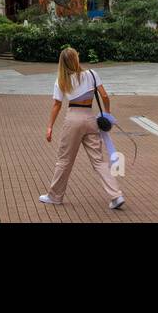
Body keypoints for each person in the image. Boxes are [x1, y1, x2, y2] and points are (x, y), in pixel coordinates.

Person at [40, 47, 125, 210]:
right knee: (98, 160)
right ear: (76, 59)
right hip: (90, 118)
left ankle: (55, 196)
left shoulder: (61, 80)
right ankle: (116, 195)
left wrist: (50, 126)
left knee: (64, 159)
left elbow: (57, 105)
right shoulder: (92, 74)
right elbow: (105, 96)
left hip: (72, 118)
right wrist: (107, 114)